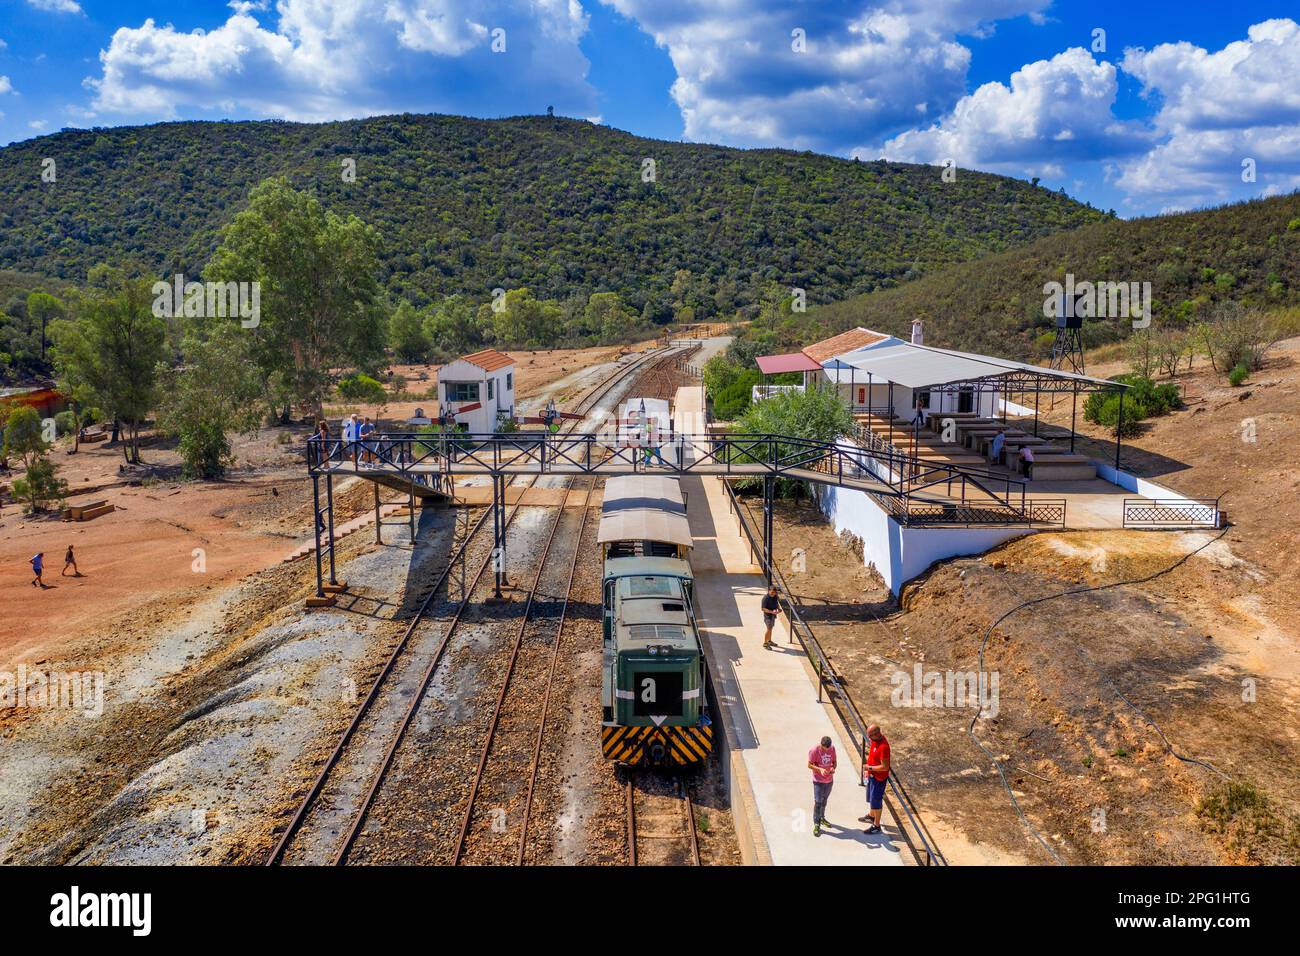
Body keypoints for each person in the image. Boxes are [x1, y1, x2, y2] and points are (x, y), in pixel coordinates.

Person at [858, 724, 891, 834]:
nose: (869, 738)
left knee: (876, 802)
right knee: (871, 799)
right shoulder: (875, 741)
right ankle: (871, 816)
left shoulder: (884, 747)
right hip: (871, 776)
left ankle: (876, 825)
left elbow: (885, 767)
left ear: (877, 734)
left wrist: (869, 767)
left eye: (870, 736)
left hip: (878, 779)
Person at [808, 735, 837, 836]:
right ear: (821, 744)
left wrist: (833, 768)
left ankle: (822, 817)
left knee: (824, 801)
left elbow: (834, 762)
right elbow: (809, 765)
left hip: (829, 780)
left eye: (828, 748)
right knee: (818, 802)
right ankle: (816, 824)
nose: (827, 750)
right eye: (825, 748)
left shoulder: (832, 748)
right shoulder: (814, 751)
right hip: (818, 781)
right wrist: (820, 769)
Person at [761, 584, 782, 649]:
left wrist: (778, 609)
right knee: (769, 629)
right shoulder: (765, 598)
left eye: (775, 592)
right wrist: (772, 612)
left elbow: (776, 604)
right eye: (772, 592)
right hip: (768, 617)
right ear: (769, 591)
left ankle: (769, 641)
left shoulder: (775, 597)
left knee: (771, 628)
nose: (773, 594)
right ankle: (765, 643)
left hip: (773, 616)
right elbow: (763, 609)